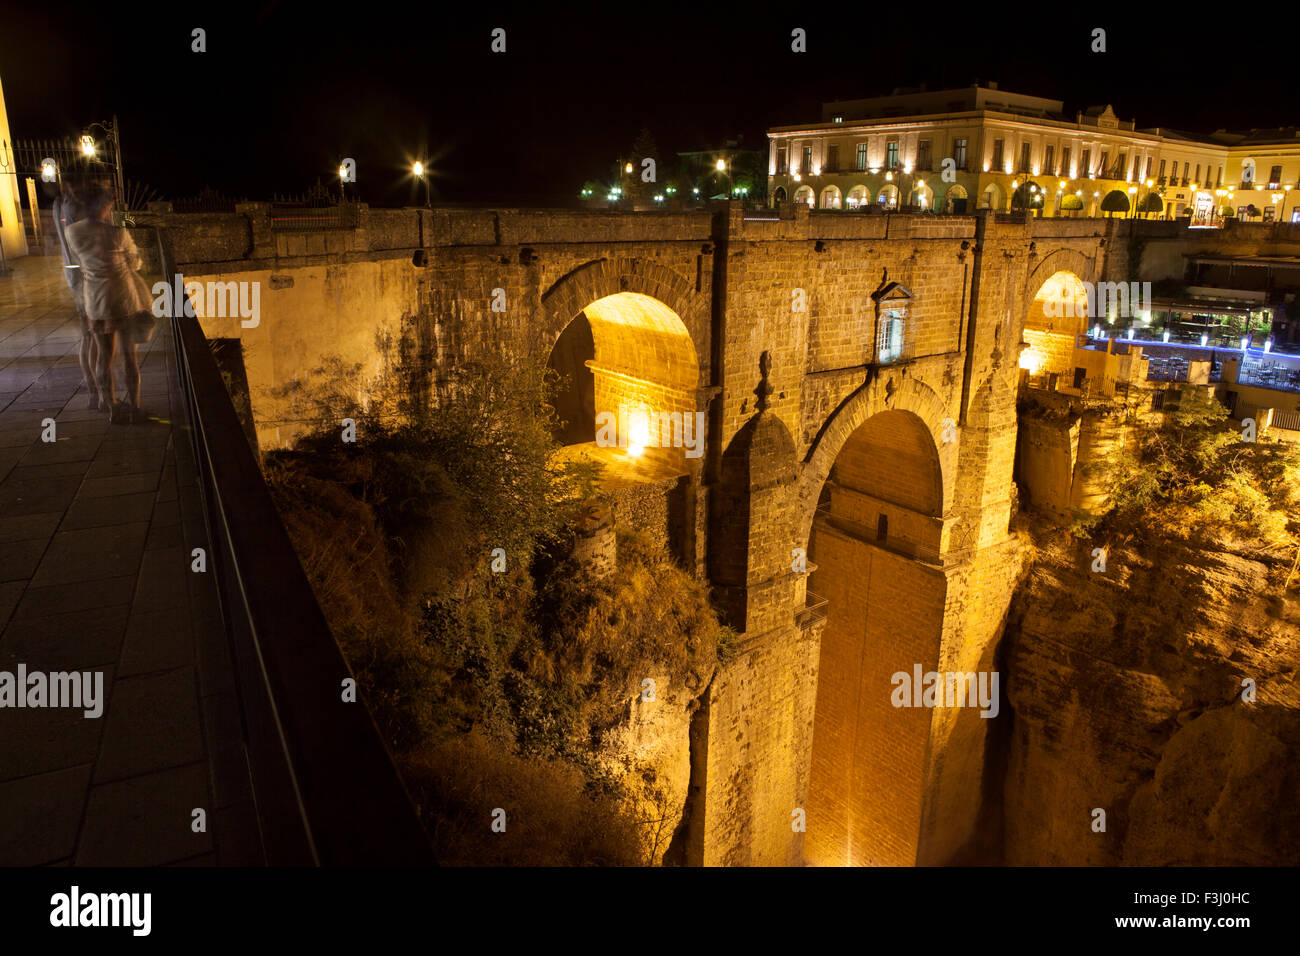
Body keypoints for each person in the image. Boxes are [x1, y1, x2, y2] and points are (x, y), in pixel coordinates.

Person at [64, 183, 152, 424]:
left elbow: (80, 260)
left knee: (104, 357)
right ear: (103, 205)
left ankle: (111, 408)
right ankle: (134, 407)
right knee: (129, 357)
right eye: (108, 203)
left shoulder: (72, 232)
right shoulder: (117, 234)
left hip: (95, 300)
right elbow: (135, 263)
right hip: (123, 300)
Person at [52, 183, 102, 409]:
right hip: (84, 277)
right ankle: (97, 388)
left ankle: (93, 385)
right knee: (94, 335)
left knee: (88, 335)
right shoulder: (73, 207)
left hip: (75, 275)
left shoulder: (59, 204)